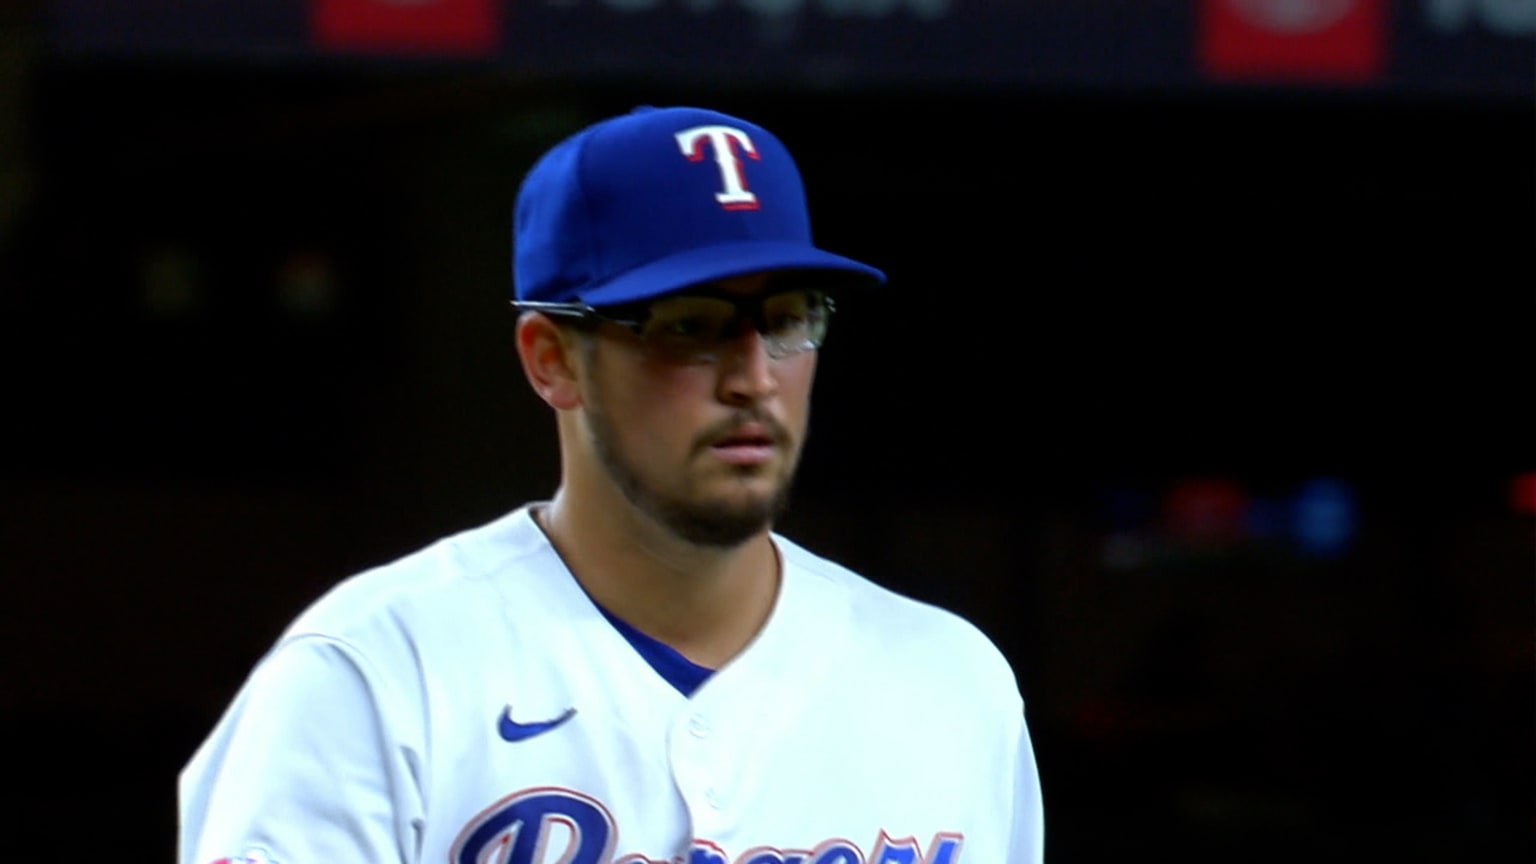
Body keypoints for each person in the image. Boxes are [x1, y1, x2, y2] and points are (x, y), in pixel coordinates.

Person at [178, 105, 1045, 864]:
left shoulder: (950, 685)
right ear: (552, 359)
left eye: (787, 320)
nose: (754, 378)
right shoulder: (371, 676)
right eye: (692, 326)